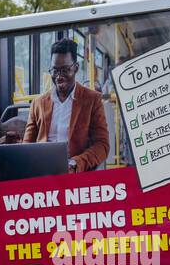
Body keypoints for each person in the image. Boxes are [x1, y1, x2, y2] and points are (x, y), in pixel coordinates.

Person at [22, 38, 109, 173]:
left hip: (75, 173)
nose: (59, 76)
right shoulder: (38, 104)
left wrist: (75, 164)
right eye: (55, 70)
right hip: (42, 172)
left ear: (76, 68)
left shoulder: (92, 100)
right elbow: (26, 146)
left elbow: (102, 145)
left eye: (65, 70)